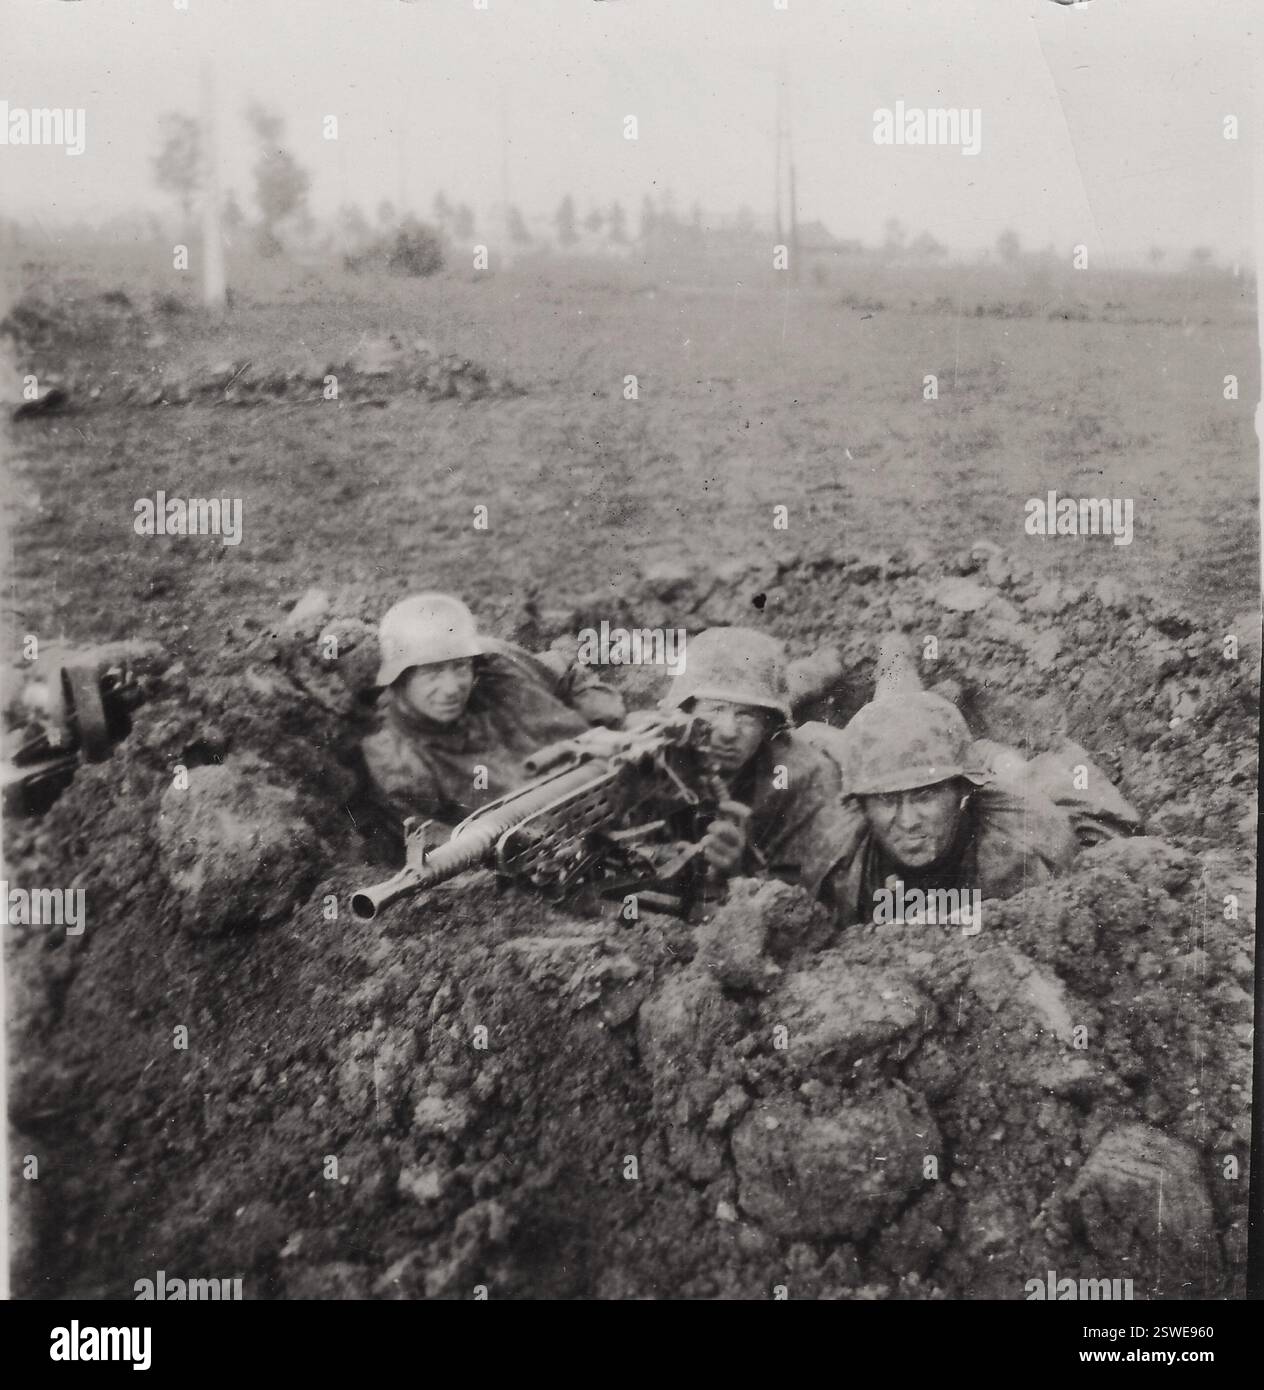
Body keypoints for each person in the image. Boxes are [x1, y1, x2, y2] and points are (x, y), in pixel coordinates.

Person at [821, 687, 1080, 926]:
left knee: (1055, 783)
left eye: (924, 795)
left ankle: (995, 756)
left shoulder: (1018, 853)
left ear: (963, 790)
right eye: (887, 800)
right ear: (862, 805)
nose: (908, 821)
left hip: (1042, 793)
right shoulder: (845, 864)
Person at [360, 593, 624, 827]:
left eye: (460, 667)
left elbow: (565, 669)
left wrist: (604, 725)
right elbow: (436, 849)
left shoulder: (496, 667)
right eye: (432, 674)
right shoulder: (399, 761)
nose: (452, 688)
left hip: (613, 779)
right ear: (400, 680)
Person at [658, 626, 856, 903]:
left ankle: (882, 657)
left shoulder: (806, 776)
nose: (728, 731)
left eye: (747, 717)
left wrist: (740, 872)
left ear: (767, 725)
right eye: (714, 709)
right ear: (685, 711)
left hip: (828, 747)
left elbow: (808, 897)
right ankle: (821, 666)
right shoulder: (658, 747)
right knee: (769, 688)